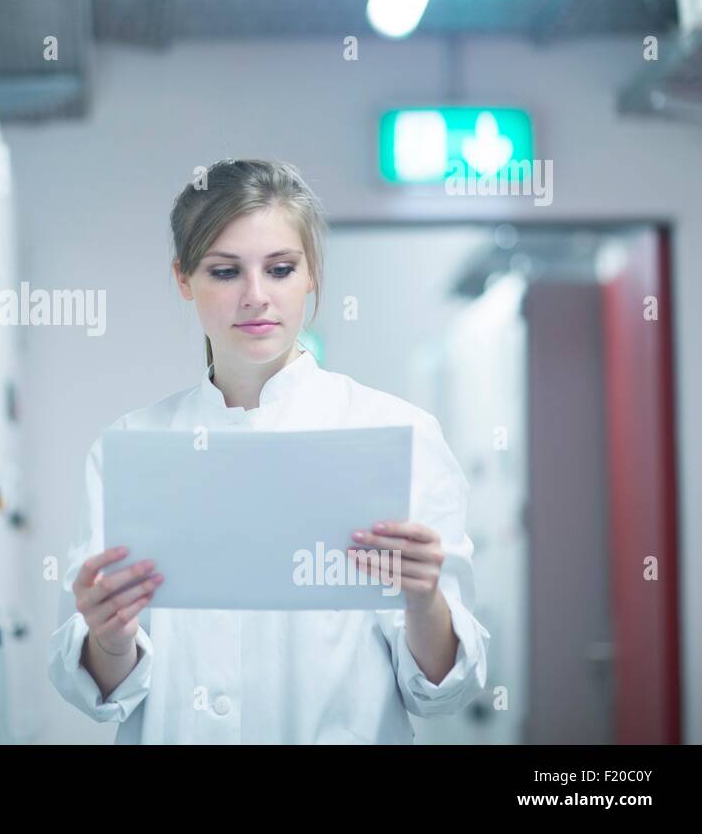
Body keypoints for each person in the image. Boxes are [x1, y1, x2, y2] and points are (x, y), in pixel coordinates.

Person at [47, 158, 490, 743]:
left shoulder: (398, 434)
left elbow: (440, 691)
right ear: (183, 279)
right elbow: (101, 691)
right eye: (225, 272)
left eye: (280, 268)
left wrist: (423, 600)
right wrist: (108, 638)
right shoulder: (130, 448)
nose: (256, 297)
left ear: (311, 275)